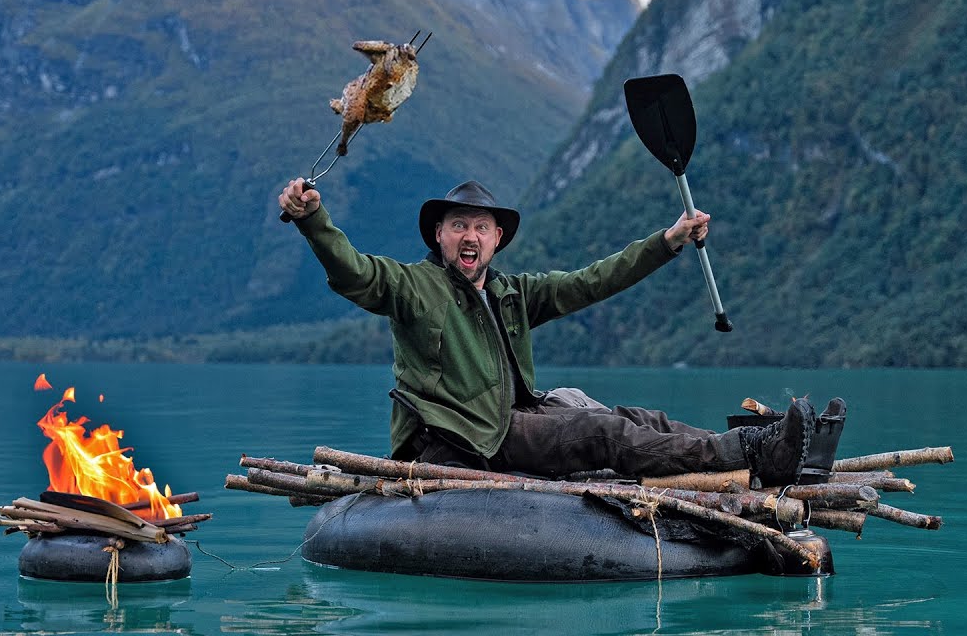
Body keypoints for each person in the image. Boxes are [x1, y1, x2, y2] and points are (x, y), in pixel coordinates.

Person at [279, 178, 837, 487]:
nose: (470, 236)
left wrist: (666, 242)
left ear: (497, 239)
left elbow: (593, 280)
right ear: (439, 236)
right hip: (461, 437)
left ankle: (761, 443)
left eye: (480, 227)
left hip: (512, 418)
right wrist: (313, 220)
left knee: (637, 418)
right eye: (458, 225)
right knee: (602, 434)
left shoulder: (512, 293)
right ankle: (752, 453)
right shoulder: (413, 287)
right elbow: (356, 273)